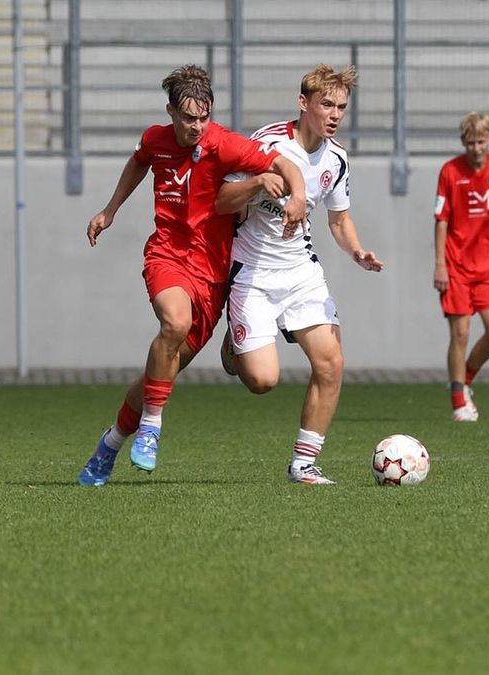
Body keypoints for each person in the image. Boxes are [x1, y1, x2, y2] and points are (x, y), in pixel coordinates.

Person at [77, 65, 308, 487]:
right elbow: (137, 163)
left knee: (159, 373)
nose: (196, 126)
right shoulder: (155, 140)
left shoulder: (225, 144)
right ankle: (152, 426)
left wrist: (298, 196)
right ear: (171, 112)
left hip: (212, 276)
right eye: (188, 118)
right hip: (167, 255)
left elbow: (285, 165)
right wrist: (109, 210)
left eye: (203, 117)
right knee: (174, 322)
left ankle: (109, 444)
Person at [214, 64, 383, 485]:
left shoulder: (338, 160)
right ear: (303, 103)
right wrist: (257, 183)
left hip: (300, 271)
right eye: (327, 104)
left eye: (342, 106)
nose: (335, 114)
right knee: (263, 381)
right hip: (251, 270)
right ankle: (235, 347)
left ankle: (303, 465)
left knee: (331, 363)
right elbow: (221, 202)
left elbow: (339, 222)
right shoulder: (267, 142)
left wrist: (357, 251)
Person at [433, 112, 489, 422]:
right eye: (471, 143)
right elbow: (440, 219)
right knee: (461, 332)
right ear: (463, 142)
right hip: (455, 265)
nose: (477, 148)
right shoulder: (450, 172)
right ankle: (458, 400)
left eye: (481, 142)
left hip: (486, 266)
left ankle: (466, 378)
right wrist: (440, 264)